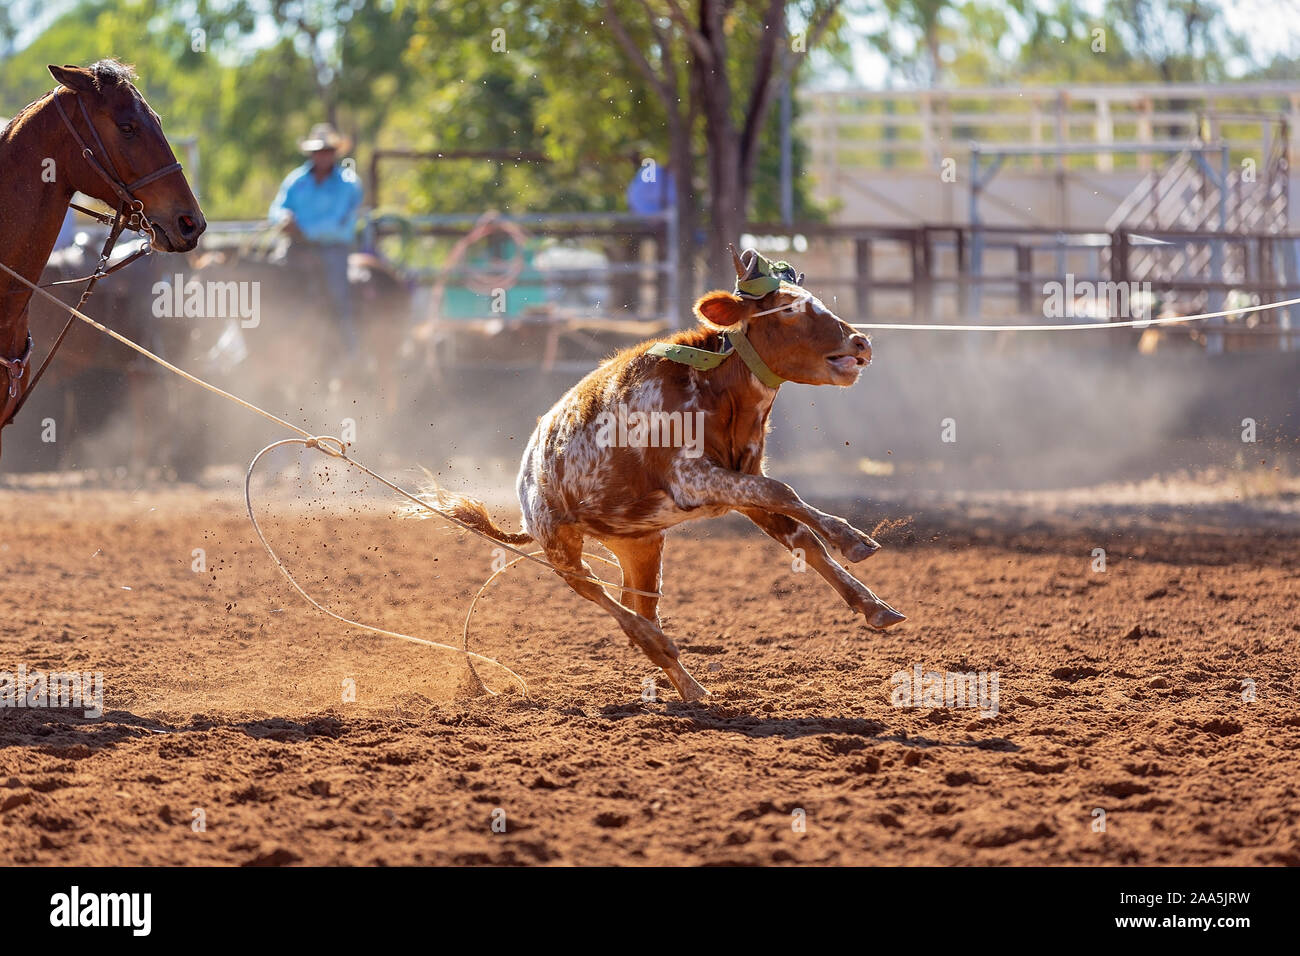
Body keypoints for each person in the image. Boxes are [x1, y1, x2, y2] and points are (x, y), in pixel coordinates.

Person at [268, 123, 364, 350]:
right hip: (296, 247)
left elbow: (342, 223)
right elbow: (277, 208)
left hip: (332, 250)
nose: (322, 156)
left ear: (334, 153)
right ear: (311, 153)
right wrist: (283, 219)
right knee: (271, 282)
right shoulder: (296, 180)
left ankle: (349, 349)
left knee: (337, 295)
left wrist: (303, 229)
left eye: (326, 151)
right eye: (318, 151)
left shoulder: (348, 184)